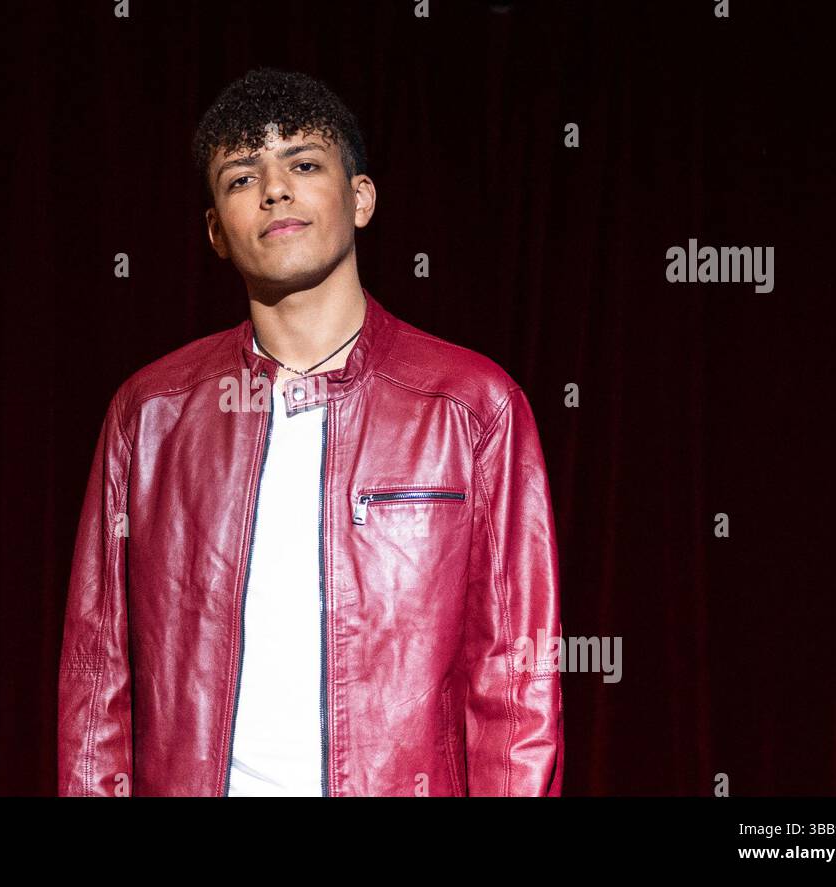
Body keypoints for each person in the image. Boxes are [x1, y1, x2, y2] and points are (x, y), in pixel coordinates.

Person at [57, 67, 564, 797]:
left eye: (302, 163)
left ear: (360, 199)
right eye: (240, 178)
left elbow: (517, 685)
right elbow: (97, 672)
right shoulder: (150, 413)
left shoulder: (472, 404)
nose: (274, 190)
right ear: (215, 233)